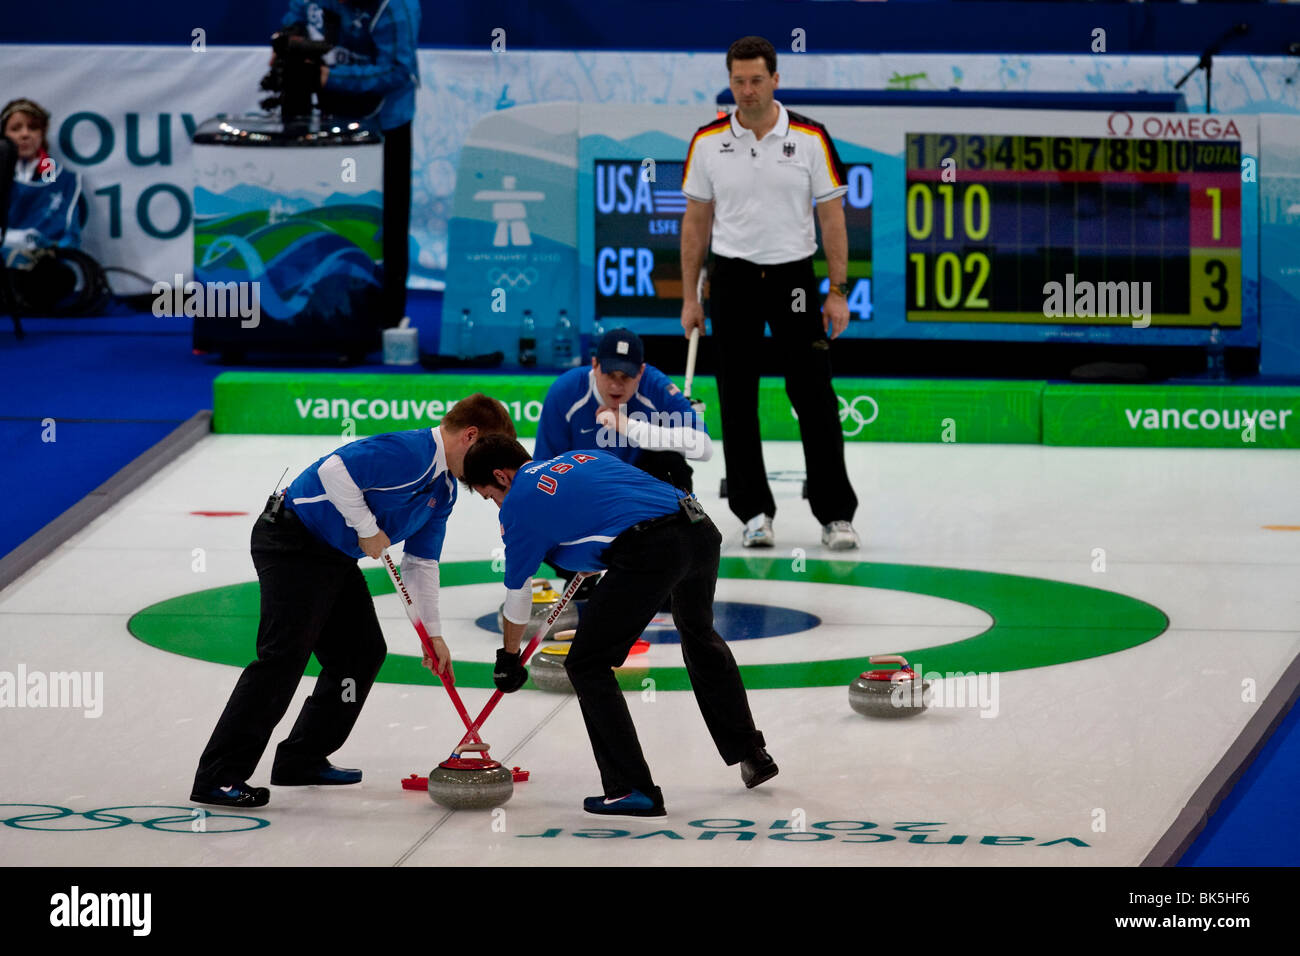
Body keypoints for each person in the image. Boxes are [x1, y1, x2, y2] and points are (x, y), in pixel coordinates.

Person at [190, 394, 516, 809]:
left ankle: (302, 756)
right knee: (283, 658)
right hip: (292, 542)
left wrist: (431, 635)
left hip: (333, 555)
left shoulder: (444, 490)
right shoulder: (411, 452)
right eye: (489, 453)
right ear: (470, 436)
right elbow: (333, 469)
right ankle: (218, 775)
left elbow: (421, 563)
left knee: (360, 655)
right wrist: (365, 526)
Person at [463, 433, 776, 818]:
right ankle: (752, 752)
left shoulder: (518, 504)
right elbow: (613, 511)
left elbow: (517, 594)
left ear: (502, 476)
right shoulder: (582, 457)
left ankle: (632, 788)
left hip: (652, 548)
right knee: (698, 633)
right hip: (699, 528)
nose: (496, 505)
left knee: (586, 664)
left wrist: (509, 658)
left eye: (489, 496)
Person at [680, 35, 860, 552]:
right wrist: (692, 299)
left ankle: (835, 514)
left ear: (775, 79)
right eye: (738, 81)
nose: (747, 90)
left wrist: (838, 291)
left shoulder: (809, 137)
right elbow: (695, 224)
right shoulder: (708, 141)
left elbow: (832, 218)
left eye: (757, 80)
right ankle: (753, 511)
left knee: (815, 398)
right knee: (736, 400)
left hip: (794, 282)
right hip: (732, 281)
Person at [280, 0, 420, 329]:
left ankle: (387, 319)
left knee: (387, 220)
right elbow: (294, 20)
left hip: (385, 122)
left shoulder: (396, 7)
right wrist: (289, 43)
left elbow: (399, 71)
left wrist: (330, 75)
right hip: (330, 113)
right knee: (328, 212)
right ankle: (319, 308)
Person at [534, 327, 711, 493]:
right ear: (595, 366)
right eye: (610, 374)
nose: (616, 385)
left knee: (671, 463)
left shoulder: (656, 386)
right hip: (583, 491)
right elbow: (543, 468)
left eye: (626, 376)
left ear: (641, 371)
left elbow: (703, 447)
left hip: (636, 489)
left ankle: (675, 525)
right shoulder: (565, 392)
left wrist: (627, 425)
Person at [2, 98, 84, 310]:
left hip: (38, 263)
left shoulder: (58, 177)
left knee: (60, 277)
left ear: (42, 133)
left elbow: (69, 233)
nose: (25, 134)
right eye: (16, 128)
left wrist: (43, 247)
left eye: (33, 127)